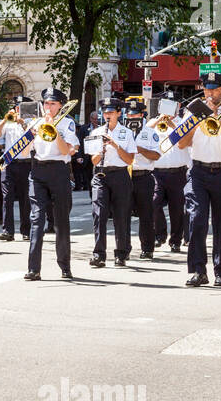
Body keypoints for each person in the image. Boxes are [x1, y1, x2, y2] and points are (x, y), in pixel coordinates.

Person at [179, 72, 221, 287]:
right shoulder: (193, 109)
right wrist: (196, 123)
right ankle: (198, 270)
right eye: (207, 88)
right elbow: (181, 143)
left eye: (214, 88)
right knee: (196, 220)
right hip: (198, 171)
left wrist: (218, 119)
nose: (210, 92)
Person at [25, 87, 79, 281]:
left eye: (52, 103)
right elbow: (24, 153)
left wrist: (54, 130)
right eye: (46, 103)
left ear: (60, 106)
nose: (48, 107)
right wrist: (29, 136)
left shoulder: (67, 124)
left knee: (61, 222)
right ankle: (33, 269)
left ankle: (64, 266)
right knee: (37, 221)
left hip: (59, 172)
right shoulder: (35, 123)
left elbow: (67, 151)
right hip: (38, 171)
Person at [87, 97, 136, 268]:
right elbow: (93, 160)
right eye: (105, 112)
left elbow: (129, 160)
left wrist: (115, 145)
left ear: (118, 113)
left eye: (111, 112)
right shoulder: (95, 133)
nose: (107, 115)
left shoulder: (127, 133)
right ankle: (99, 254)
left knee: (121, 216)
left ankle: (121, 253)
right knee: (99, 214)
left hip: (120, 175)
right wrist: (101, 149)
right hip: (101, 174)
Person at [150, 90, 191, 252]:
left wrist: (173, 124)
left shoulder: (184, 122)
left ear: (178, 106)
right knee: (153, 203)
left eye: (172, 104)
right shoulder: (154, 122)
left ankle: (175, 240)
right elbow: (145, 131)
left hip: (178, 172)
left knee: (177, 209)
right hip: (157, 172)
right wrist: (159, 119)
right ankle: (160, 234)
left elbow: (186, 138)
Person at [125, 97, 160, 259]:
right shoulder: (122, 132)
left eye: (136, 115)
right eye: (130, 115)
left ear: (142, 115)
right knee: (123, 214)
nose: (132, 118)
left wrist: (140, 149)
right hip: (125, 176)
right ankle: (123, 249)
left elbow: (156, 155)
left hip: (143, 176)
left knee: (146, 215)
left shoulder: (150, 133)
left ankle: (147, 248)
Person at [0, 97, 32, 243]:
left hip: (26, 163)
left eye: (20, 108)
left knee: (25, 198)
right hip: (9, 163)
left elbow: (33, 137)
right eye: (16, 107)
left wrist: (23, 124)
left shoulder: (31, 122)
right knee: (7, 197)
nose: (17, 110)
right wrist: (4, 120)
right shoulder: (8, 122)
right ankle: (7, 231)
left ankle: (26, 230)